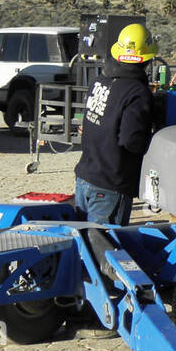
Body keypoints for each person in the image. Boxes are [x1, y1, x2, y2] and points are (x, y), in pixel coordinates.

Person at [73, 22, 157, 225]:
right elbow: (131, 140)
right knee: (106, 248)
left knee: (86, 246)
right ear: (146, 59)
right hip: (110, 185)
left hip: (85, 178)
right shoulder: (137, 92)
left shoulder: (99, 82)